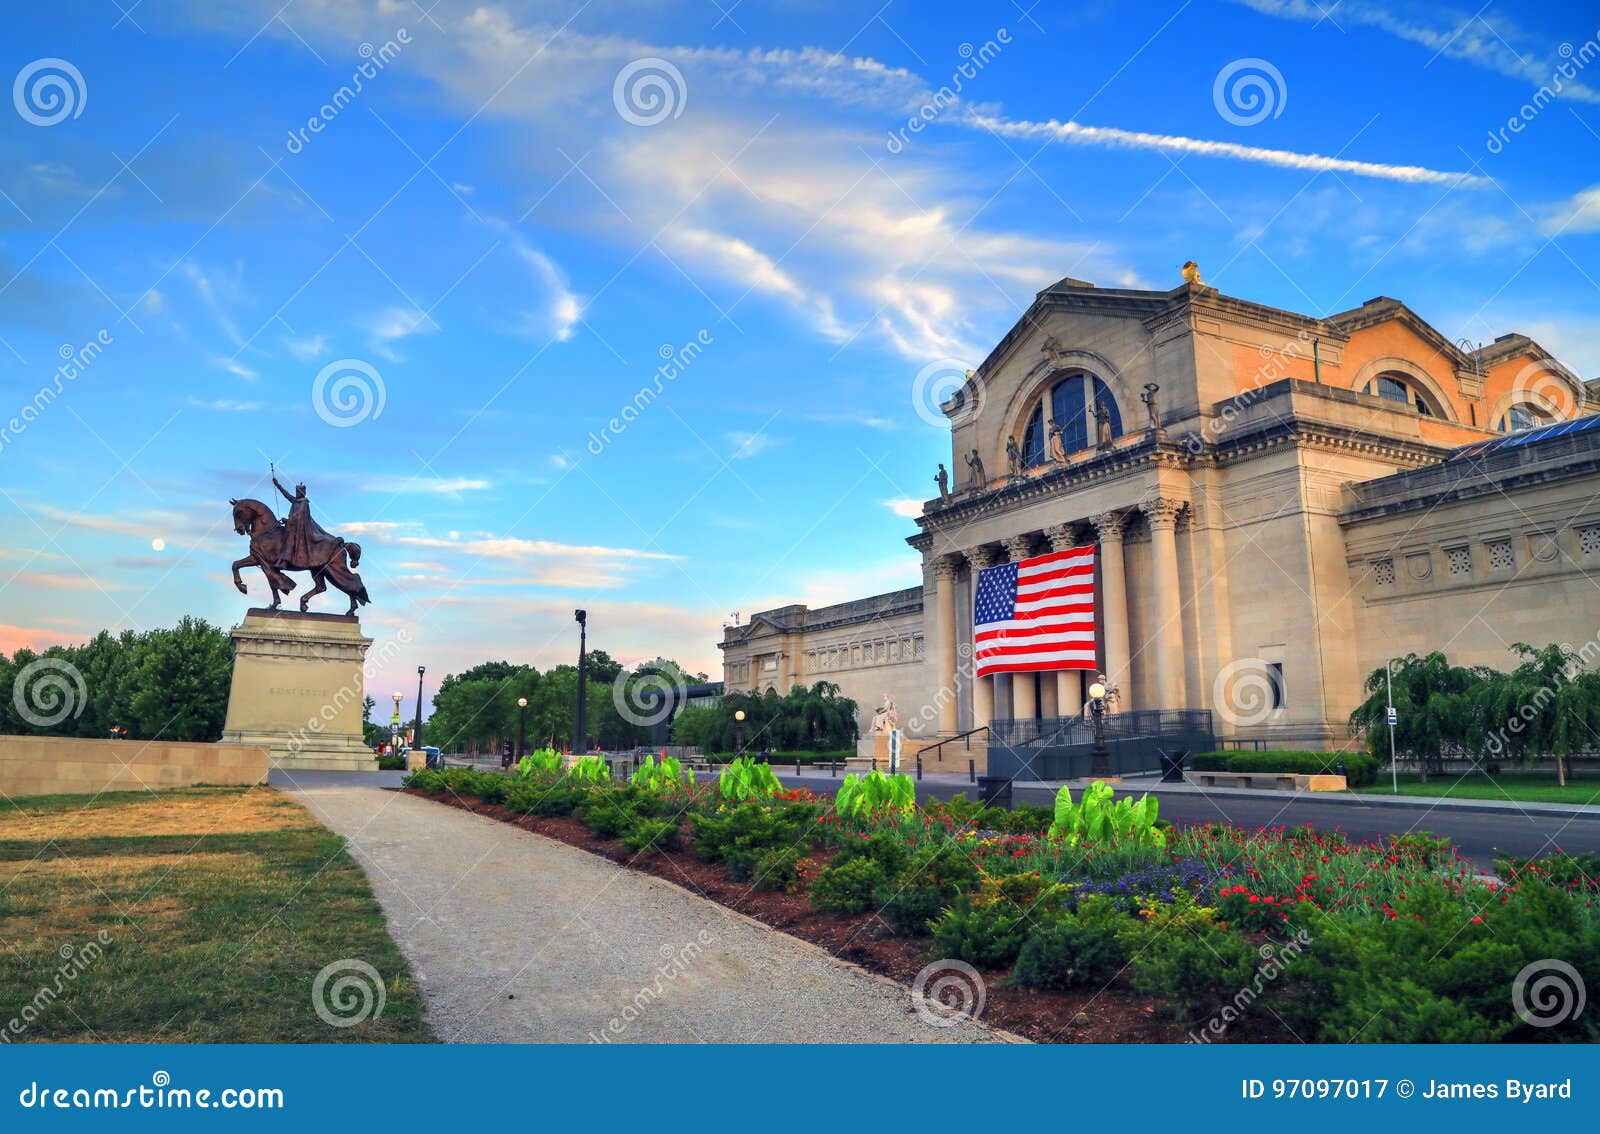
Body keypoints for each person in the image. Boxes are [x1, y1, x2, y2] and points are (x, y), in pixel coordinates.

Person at [271, 472, 344, 569]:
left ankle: (285, 560)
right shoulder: (295, 500)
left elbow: (298, 515)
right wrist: (277, 485)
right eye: (296, 492)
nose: (296, 493)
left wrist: (288, 521)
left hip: (301, 528)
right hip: (293, 525)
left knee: (289, 539)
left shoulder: (304, 503)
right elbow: (286, 494)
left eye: (298, 492)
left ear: (302, 493)